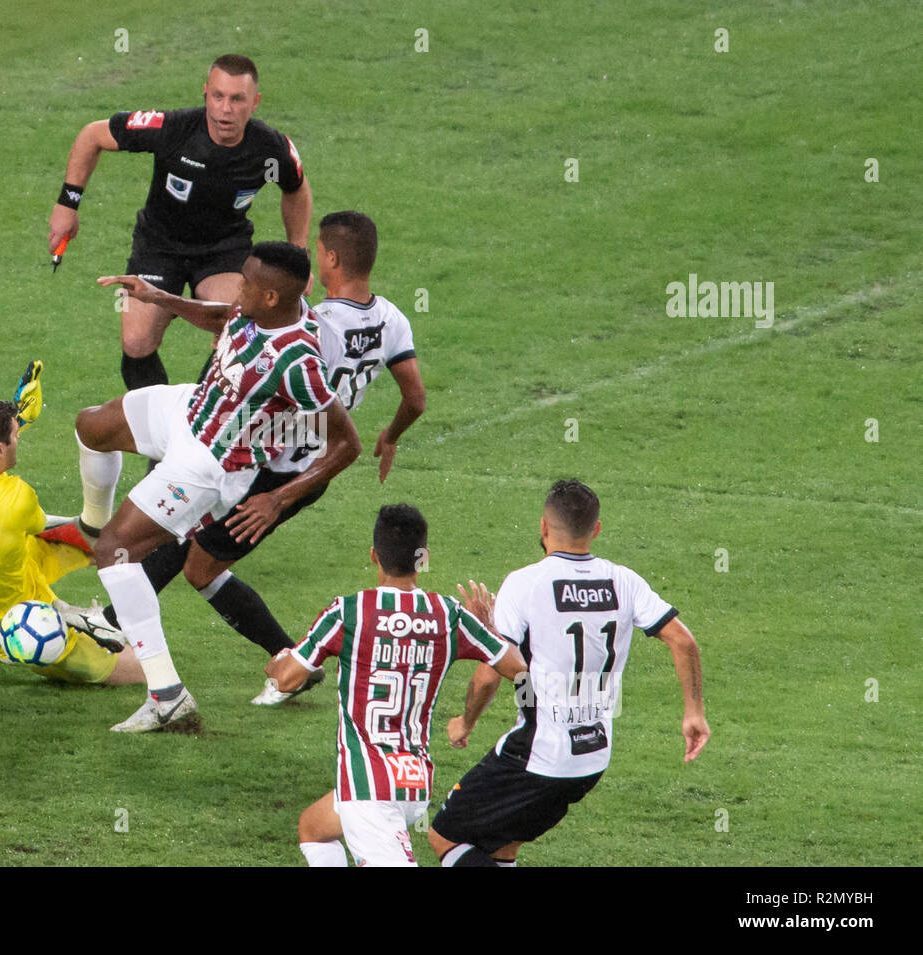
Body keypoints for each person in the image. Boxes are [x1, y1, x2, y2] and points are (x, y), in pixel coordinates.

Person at [69, 211, 427, 706]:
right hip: (260, 447)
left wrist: (277, 499)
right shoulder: (387, 319)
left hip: (270, 464)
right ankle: (286, 657)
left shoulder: (309, 339)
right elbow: (415, 397)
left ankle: (141, 645)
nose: (241, 289)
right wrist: (393, 433)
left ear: (330, 257)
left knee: (187, 553)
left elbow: (339, 433)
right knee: (193, 557)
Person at [427, 479, 710, 866]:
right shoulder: (624, 580)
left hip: (539, 754)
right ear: (596, 529)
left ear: (543, 527)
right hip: (592, 757)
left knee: (445, 836)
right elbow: (684, 641)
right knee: (502, 844)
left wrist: (465, 722)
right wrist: (694, 712)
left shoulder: (525, 582)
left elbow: (491, 673)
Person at [265, 504, 528, 866]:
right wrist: (491, 631)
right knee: (313, 827)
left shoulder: (349, 611)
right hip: (413, 780)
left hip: (368, 787)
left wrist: (276, 661)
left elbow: (286, 679)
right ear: (424, 558)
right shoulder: (449, 614)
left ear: (373, 554)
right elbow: (517, 668)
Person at [48, 54, 313, 393]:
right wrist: (67, 204)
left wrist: (298, 252)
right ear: (206, 94)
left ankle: (199, 422)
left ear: (255, 102)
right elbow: (93, 135)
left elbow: (296, 189)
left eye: (237, 99)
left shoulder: (271, 149)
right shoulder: (172, 129)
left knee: (240, 325)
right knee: (137, 341)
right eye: (218, 96)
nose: (225, 109)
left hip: (223, 250)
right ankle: (156, 428)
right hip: (159, 246)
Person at [0, 367, 143, 686]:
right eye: (14, 436)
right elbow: (51, 527)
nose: (17, 440)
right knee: (141, 668)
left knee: (104, 544)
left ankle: (63, 615)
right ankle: (21, 642)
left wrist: (18, 418)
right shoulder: (14, 500)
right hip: (14, 615)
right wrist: (96, 533)